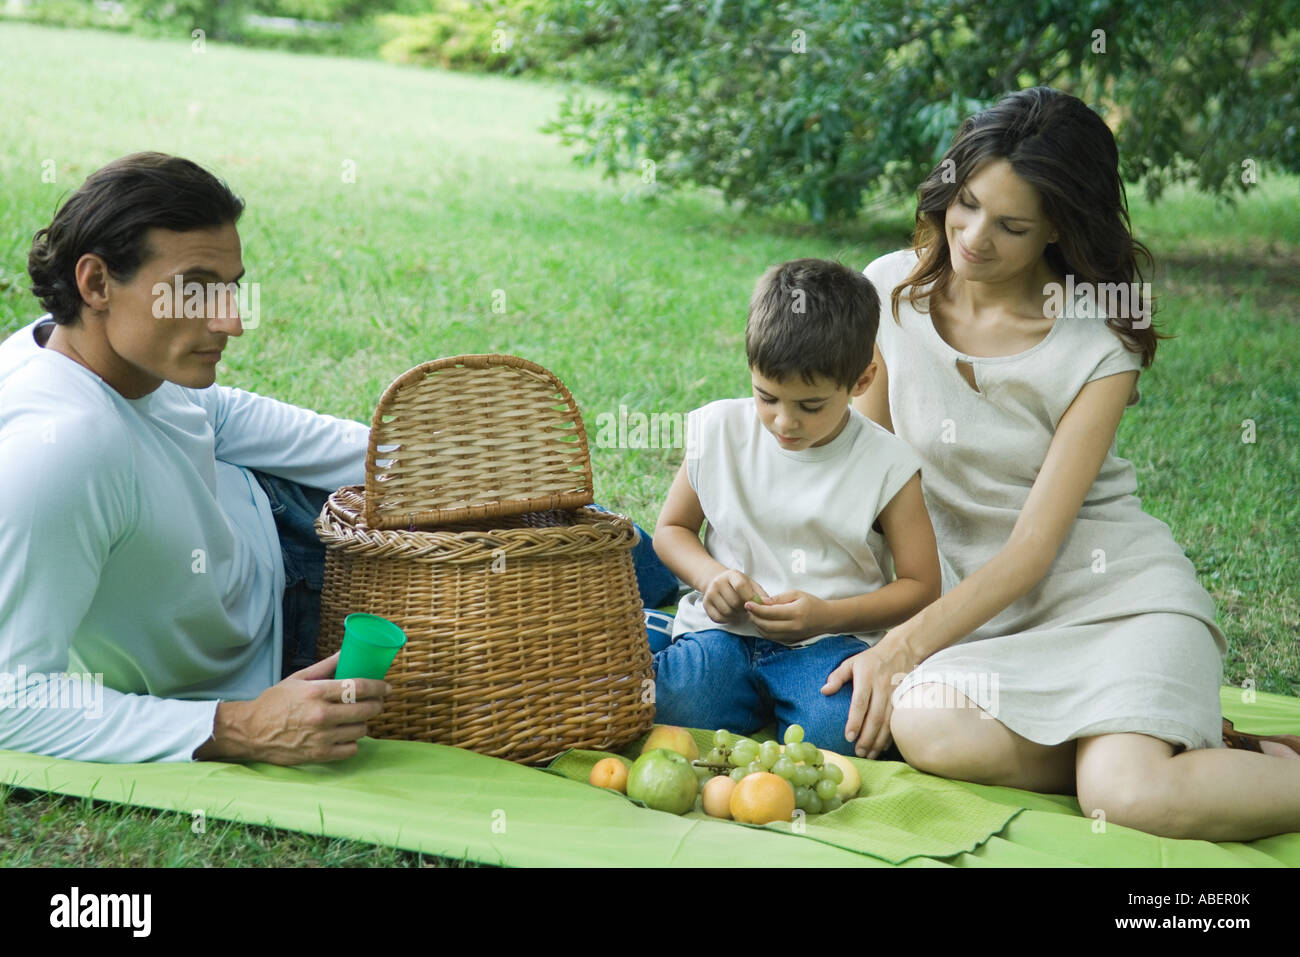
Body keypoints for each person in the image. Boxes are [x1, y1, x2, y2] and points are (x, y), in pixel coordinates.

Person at [0, 151, 676, 766]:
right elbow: (12, 698)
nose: (231, 321)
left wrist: (417, 470)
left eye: (231, 286)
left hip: (285, 516)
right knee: (604, 647)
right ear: (95, 282)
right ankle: (720, 629)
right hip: (303, 635)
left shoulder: (76, 350)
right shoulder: (59, 453)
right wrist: (238, 726)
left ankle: (696, 586)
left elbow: (218, 415)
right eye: (197, 288)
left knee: (595, 534)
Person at [823, 87, 1300, 841]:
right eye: (967, 204)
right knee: (928, 727)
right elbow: (867, 477)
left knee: (1130, 798)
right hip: (982, 624)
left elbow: (1033, 550)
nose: (973, 237)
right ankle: (1163, 738)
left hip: (1115, 602)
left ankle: (1142, 748)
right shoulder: (886, 292)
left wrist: (901, 647)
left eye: (1010, 225)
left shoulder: (1096, 345)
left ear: (1058, 228)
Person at [650, 259, 941, 755]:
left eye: (811, 406)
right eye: (767, 397)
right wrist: (709, 578)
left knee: (843, 738)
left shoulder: (887, 464)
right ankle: (657, 629)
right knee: (667, 705)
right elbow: (672, 529)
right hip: (725, 635)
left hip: (827, 644)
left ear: (862, 380)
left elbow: (921, 586)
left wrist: (826, 615)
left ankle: (765, 698)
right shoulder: (719, 432)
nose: (785, 422)